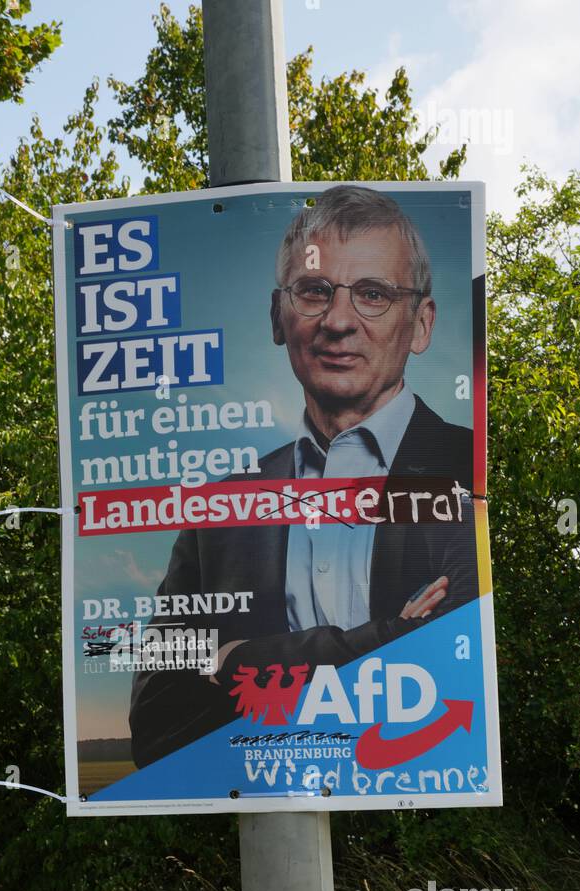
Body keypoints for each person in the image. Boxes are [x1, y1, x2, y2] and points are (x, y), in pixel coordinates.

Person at [130, 185, 478, 769]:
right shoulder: (218, 511)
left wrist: (239, 661)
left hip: (411, 803)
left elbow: (458, 658)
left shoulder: (466, 469)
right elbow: (157, 727)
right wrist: (387, 636)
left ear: (420, 326)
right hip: (266, 809)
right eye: (314, 292)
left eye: (373, 294)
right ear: (278, 316)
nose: (339, 321)